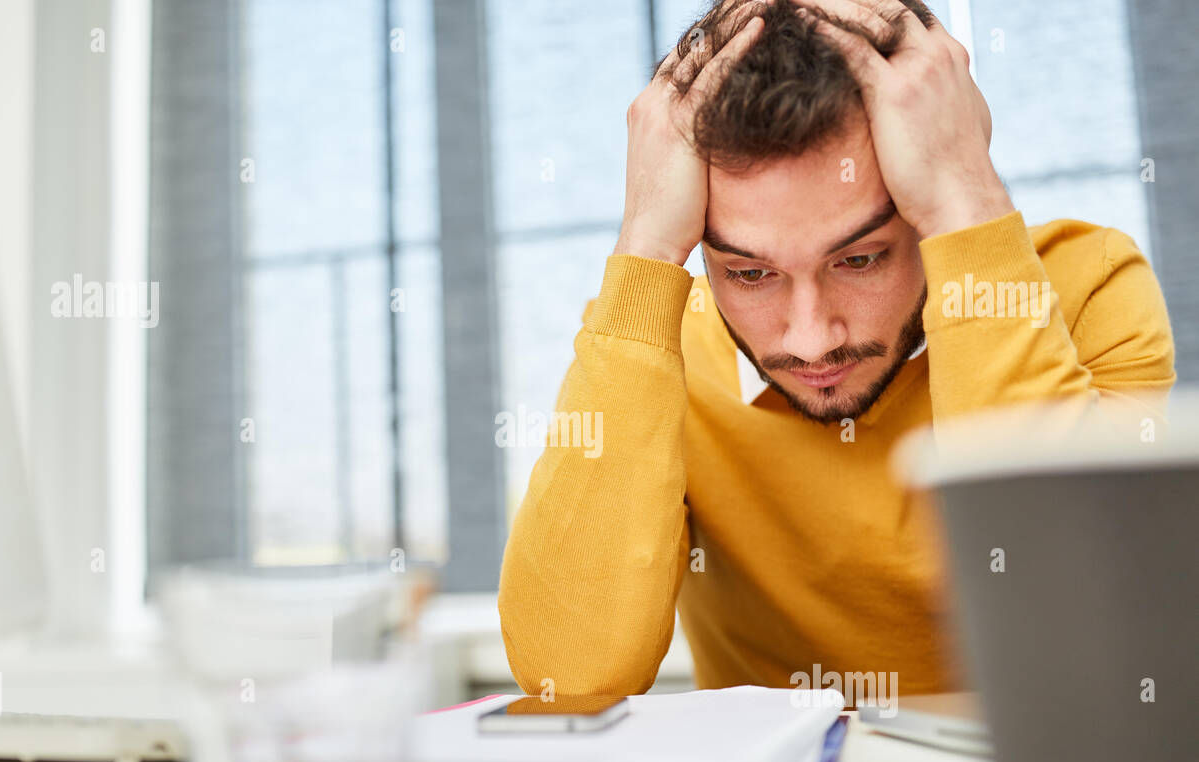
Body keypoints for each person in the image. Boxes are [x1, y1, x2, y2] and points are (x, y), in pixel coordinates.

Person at [497, 0, 1176, 698]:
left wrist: (966, 204)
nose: (811, 338)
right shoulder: (656, 352)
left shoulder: (1085, 285)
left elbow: (1085, 645)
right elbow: (564, 678)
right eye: (750, 273)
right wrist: (644, 243)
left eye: (860, 259)